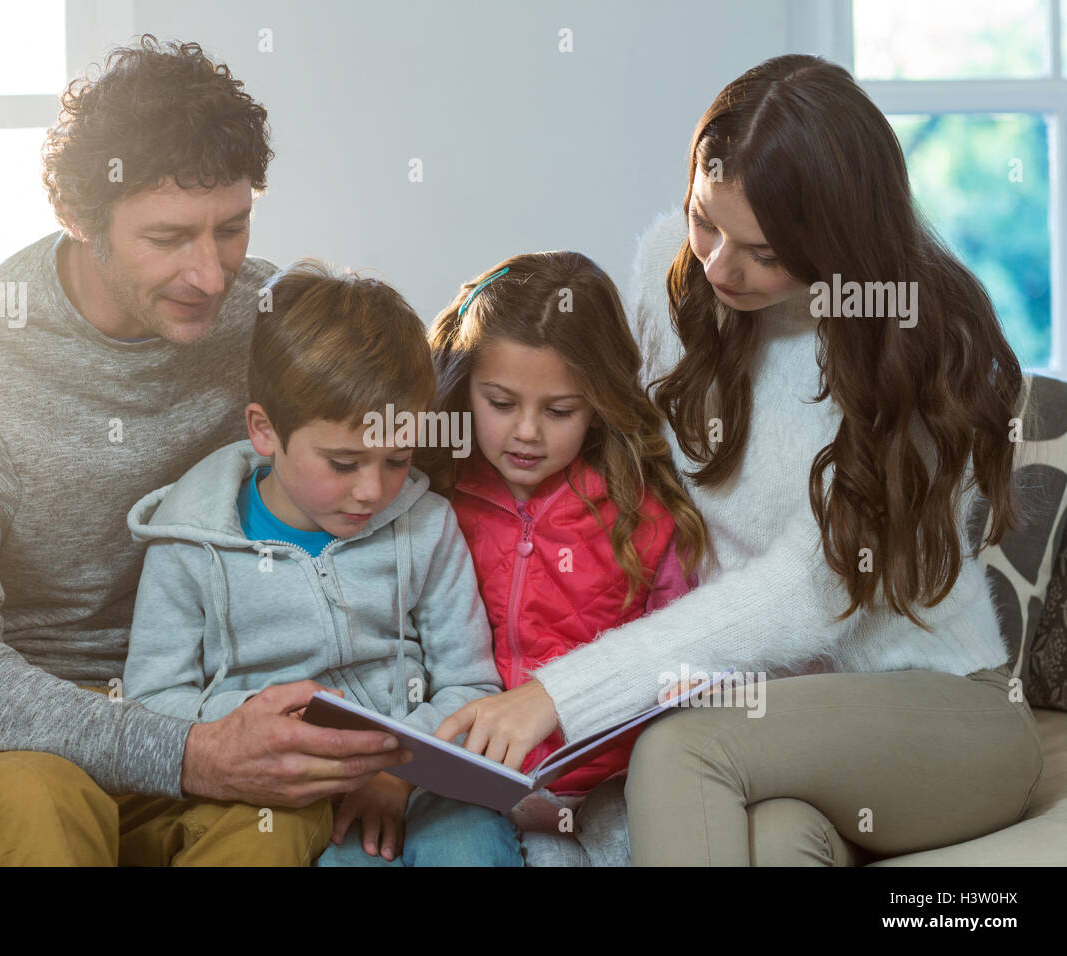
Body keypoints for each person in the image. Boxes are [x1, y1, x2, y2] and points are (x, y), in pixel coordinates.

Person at [436, 54, 1044, 866]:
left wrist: (559, 696)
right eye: (705, 220)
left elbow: (804, 595)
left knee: (679, 751)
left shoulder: (914, 347)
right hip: (779, 734)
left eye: (761, 249)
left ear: (838, 235)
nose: (720, 266)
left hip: (942, 716)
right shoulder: (667, 278)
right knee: (777, 843)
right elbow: (612, 449)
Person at [0, 36, 407, 867]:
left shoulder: (270, 317)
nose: (209, 275)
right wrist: (189, 753)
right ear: (79, 216)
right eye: (168, 237)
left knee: (277, 818)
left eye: (233, 228)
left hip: (179, 705)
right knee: (40, 797)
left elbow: (393, 427)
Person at [124, 260, 522, 867]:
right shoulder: (188, 543)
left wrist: (398, 773)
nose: (372, 490)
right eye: (342, 463)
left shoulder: (429, 525)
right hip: (284, 790)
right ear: (265, 431)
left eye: (397, 459)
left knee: (472, 847)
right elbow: (153, 701)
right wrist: (259, 731)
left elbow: (469, 684)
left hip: (417, 781)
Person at [421, 251, 706, 865]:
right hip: (481, 785)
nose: (526, 432)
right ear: (464, 383)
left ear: (599, 403)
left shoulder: (642, 510)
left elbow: (681, 659)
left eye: (559, 411)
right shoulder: (435, 495)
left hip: (610, 787)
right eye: (500, 403)